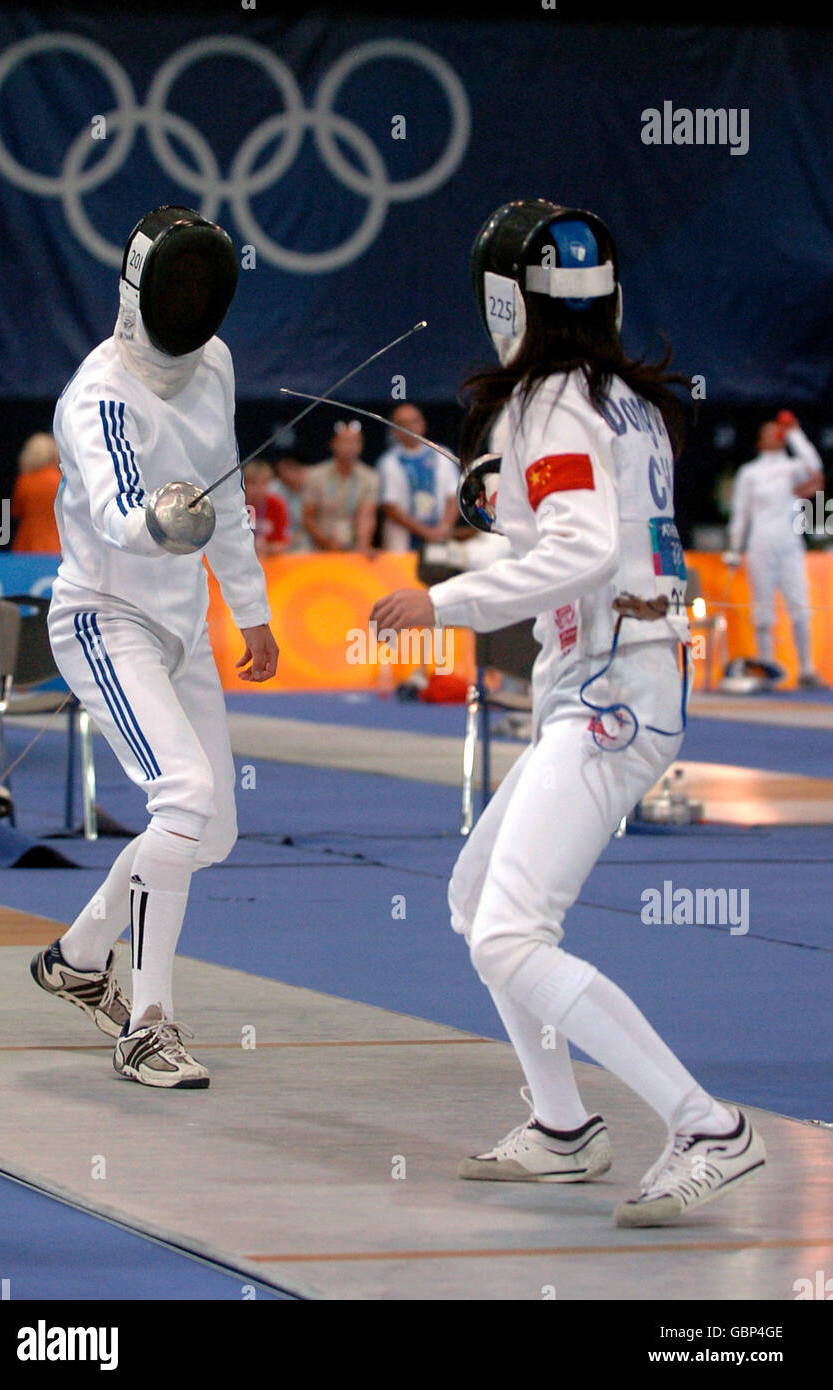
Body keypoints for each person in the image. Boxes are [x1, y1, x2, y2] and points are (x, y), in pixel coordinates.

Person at [372, 199, 765, 1227]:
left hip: (606, 689)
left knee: (507, 932)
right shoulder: (616, 398)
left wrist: (441, 600)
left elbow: (583, 548)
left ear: (506, 303)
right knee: (472, 900)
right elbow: (590, 526)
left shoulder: (546, 396)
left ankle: (704, 1125)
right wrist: (504, 503)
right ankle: (558, 1126)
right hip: (614, 676)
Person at [30, 205, 279, 1088]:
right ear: (138, 292)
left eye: (200, 289)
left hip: (183, 627)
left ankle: (79, 956)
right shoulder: (97, 395)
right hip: (105, 617)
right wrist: (160, 524)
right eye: (175, 287)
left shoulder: (213, 363)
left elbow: (231, 490)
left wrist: (249, 609)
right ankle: (148, 1024)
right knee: (185, 795)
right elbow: (115, 510)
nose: (188, 304)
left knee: (208, 831)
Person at [725, 412, 825, 689]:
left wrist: (795, 433)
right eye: (771, 431)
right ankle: (765, 668)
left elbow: (814, 466)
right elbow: (740, 513)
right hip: (760, 547)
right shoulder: (750, 473)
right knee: (762, 610)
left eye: (778, 431)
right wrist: (734, 548)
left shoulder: (793, 468)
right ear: (760, 440)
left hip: (790, 546)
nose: (775, 434)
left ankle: (807, 669)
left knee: (801, 607)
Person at [376, 403, 459, 552]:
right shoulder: (388, 462)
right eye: (403, 424)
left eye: (414, 421)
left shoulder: (442, 454)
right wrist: (426, 532)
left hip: (440, 537)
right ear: (394, 429)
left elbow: (454, 495)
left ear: (423, 423)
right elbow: (390, 506)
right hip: (402, 543)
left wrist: (444, 527)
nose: (410, 427)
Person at [302, 422, 377, 553]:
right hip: (319, 548)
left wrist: (363, 545)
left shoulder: (369, 477)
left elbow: (366, 515)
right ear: (333, 444)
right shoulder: (315, 475)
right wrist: (327, 544)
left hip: (353, 549)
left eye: (355, 442)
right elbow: (308, 517)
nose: (350, 446)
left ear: (360, 446)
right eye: (345, 441)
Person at [11, 432, 61, 552]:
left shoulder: (25, 482)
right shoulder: (61, 481)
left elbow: (16, 511)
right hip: (58, 544)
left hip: (27, 544)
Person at [243, 460, 290, 556]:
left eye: (264, 483)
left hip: (270, 558)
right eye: (253, 484)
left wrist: (268, 548)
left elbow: (282, 543)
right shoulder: (238, 505)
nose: (259, 489)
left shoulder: (277, 505)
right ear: (244, 484)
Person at [268, 453, 310, 551]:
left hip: (304, 539)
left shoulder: (313, 487)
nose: (296, 473)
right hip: (276, 540)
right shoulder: (271, 490)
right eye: (290, 468)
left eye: (299, 468)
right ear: (281, 469)